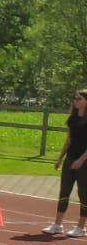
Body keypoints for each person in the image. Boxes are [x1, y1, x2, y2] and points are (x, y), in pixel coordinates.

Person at [42, 89, 87, 237]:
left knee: (83, 193)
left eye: (79, 99)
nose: (76, 101)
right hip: (70, 159)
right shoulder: (72, 119)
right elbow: (68, 140)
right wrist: (60, 158)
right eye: (75, 98)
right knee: (64, 191)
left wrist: (81, 161)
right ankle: (58, 224)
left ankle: (81, 227)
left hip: (84, 161)